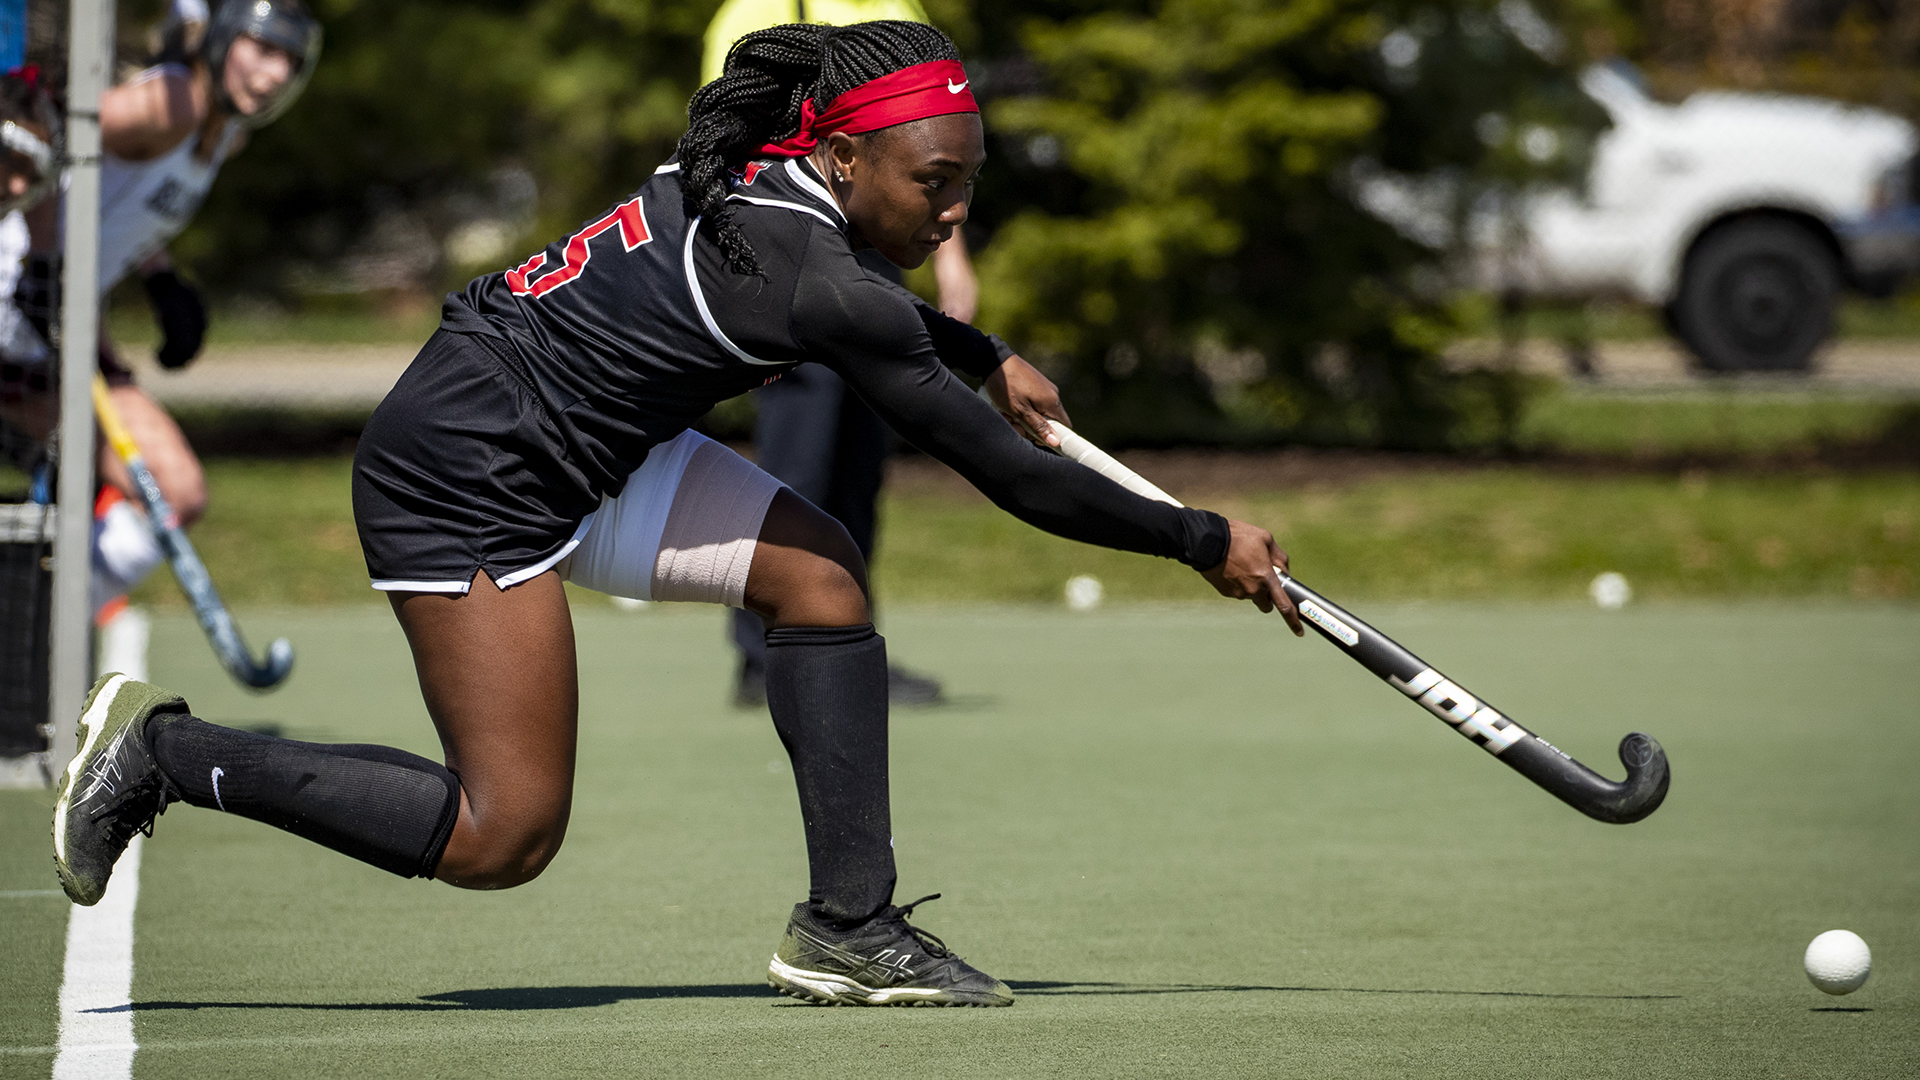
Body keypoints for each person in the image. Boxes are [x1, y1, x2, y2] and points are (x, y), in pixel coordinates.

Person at [51, 21, 1303, 1009]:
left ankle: (849, 928)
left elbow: (860, 284)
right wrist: (1201, 539)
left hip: (585, 437)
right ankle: (163, 755)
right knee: (505, 834)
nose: (956, 210)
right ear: (844, 158)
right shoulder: (821, 274)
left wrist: (976, 346)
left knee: (820, 580)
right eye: (936, 183)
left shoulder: (773, 161)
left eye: (970, 183)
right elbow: (1013, 478)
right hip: (466, 465)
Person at [703, 0, 975, 708]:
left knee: (858, 467)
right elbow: (723, 145)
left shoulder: (889, 6)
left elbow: (931, 151)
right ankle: (762, 657)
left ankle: (848, 645)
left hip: (874, 256)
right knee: (799, 467)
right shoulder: (754, 12)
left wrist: (953, 262)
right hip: (791, 267)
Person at [29, 0, 322, 613]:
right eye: (263, 50)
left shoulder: (224, 134)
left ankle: (32, 630)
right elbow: (36, 143)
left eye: (290, 63)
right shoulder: (173, 104)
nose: (274, 76)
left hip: (60, 331)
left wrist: (160, 275)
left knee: (178, 490)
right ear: (219, 39)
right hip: (18, 312)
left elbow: (113, 204)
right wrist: (38, 266)